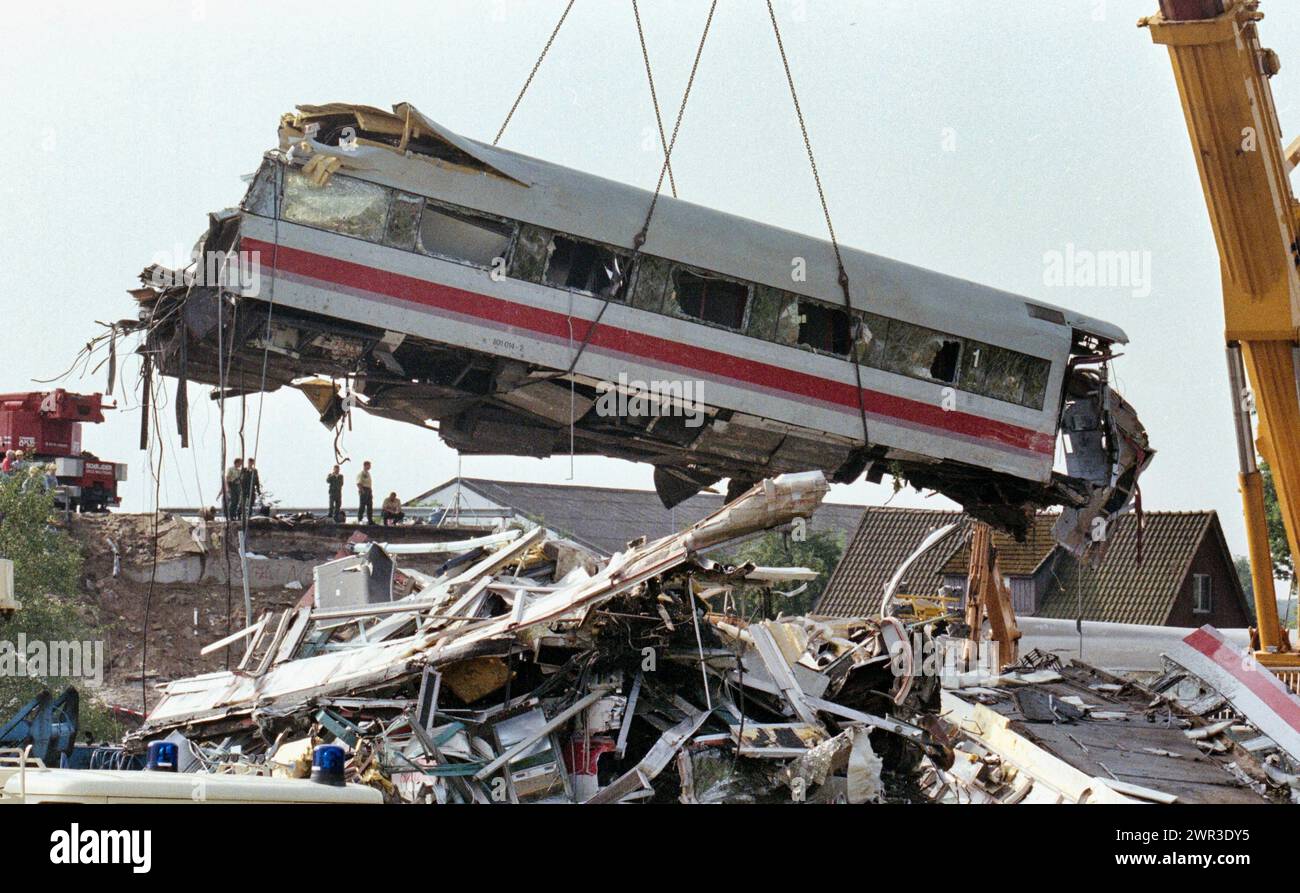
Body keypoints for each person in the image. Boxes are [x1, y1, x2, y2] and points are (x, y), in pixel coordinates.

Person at [356, 460, 374, 525]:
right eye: (369, 465)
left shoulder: (368, 473)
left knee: (370, 506)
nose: (370, 467)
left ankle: (370, 520)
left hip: (369, 490)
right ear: (365, 465)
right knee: (362, 506)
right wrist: (362, 491)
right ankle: (360, 519)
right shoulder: (361, 473)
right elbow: (358, 483)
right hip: (364, 489)